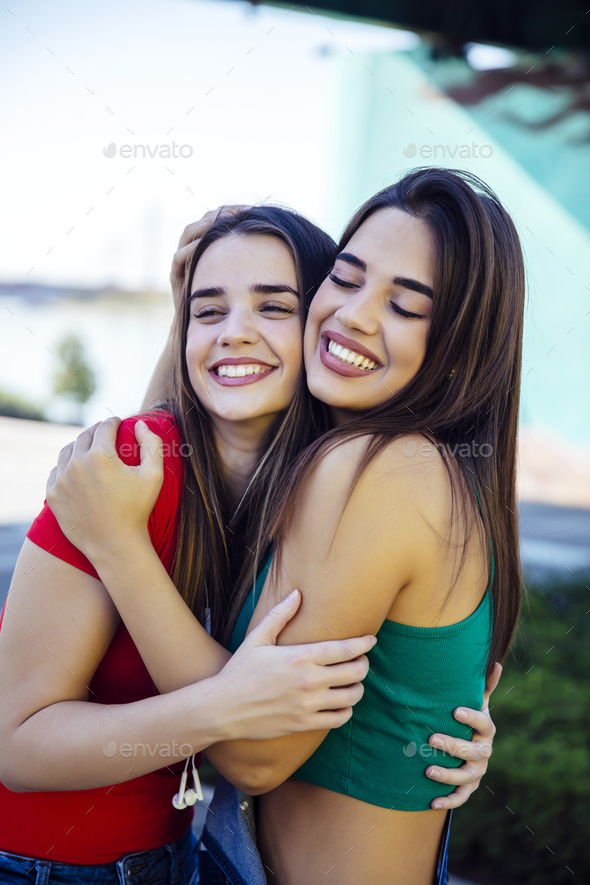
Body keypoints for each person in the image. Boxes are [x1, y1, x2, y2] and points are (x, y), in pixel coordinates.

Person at [43, 168, 515, 884]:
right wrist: (188, 326)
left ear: (460, 347)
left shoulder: (376, 469)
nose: (354, 315)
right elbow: (185, 467)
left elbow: (251, 754)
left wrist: (117, 545)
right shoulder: (414, 466)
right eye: (347, 279)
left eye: (405, 305)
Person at [0, 208, 378, 885]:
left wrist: (431, 739)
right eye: (208, 311)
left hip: (174, 857)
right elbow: (16, 745)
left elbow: (308, 698)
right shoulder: (122, 469)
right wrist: (222, 706)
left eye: (274, 306)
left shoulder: (314, 500)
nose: (234, 331)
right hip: (35, 866)